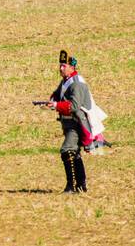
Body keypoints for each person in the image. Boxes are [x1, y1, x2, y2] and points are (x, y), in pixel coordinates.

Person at [42, 50, 106, 193]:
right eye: (60, 65)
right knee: (74, 152)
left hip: (77, 123)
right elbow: (58, 93)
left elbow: (74, 106)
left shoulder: (77, 83)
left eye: (64, 66)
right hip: (68, 123)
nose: (61, 68)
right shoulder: (66, 80)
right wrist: (52, 100)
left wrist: (57, 105)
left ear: (72, 67)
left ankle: (72, 186)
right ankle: (81, 185)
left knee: (67, 150)